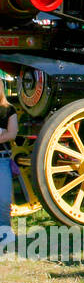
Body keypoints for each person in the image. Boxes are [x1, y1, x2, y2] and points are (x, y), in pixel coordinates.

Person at [0, 90, 17, 247]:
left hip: (2, 159)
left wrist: (3, 135)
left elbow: (12, 133)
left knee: (4, 199)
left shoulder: (8, 109)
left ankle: (5, 232)